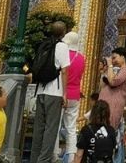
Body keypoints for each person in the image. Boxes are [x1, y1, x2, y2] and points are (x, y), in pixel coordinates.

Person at [32, 21, 73, 163]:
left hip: (41, 91)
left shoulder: (44, 45)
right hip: (54, 92)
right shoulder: (62, 46)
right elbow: (65, 70)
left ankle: (34, 158)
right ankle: (43, 160)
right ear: (64, 33)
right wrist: (65, 94)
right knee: (51, 129)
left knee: (39, 128)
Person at [100, 49, 126, 160]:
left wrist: (110, 65)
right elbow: (102, 85)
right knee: (99, 132)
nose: (113, 60)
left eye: (115, 57)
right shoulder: (114, 69)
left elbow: (113, 82)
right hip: (103, 104)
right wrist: (104, 72)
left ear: (123, 56)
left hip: (114, 106)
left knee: (108, 132)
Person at [65, 31, 91, 163]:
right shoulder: (81, 58)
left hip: (63, 94)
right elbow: (80, 77)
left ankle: (53, 153)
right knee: (71, 127)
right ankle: (71, 157)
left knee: (56, 125)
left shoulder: (63, 55)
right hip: (75, 94)